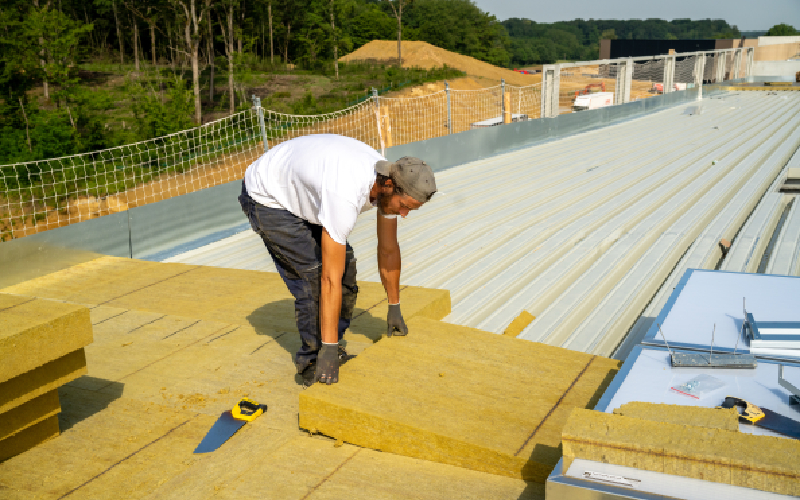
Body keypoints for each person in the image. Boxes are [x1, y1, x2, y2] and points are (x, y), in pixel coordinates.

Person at [238, 134, 437, 386]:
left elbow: (388, 249)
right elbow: (328, 279)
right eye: (404, 206)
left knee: (346, 269)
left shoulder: (390, 182)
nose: (405, 214)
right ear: (387, 184)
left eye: (411, 209)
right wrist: (329, 347)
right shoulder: (345, 194)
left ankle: (330, 344)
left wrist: (394, 306)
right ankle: (313, 360)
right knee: (313, 276)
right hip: (268, 195)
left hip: (303, 184)